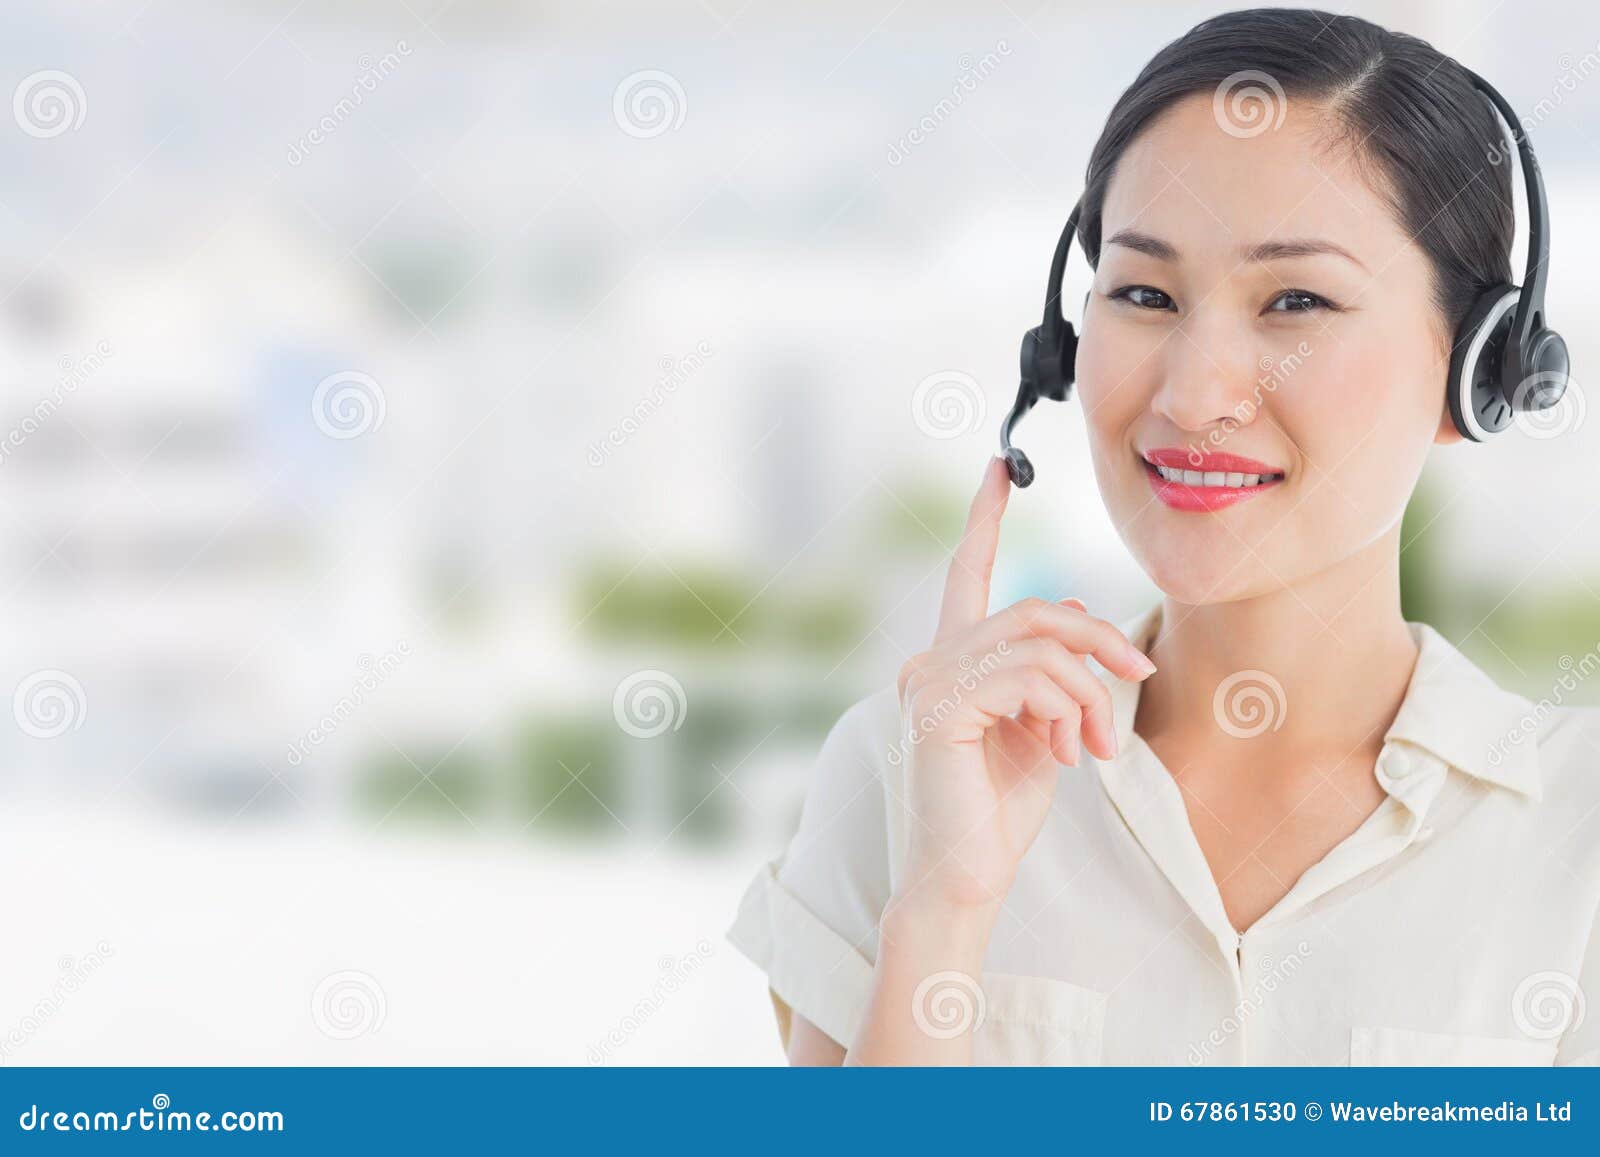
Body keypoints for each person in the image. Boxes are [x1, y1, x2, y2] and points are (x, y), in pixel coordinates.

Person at [724, 7, 1600, 1065]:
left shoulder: (1576, 837)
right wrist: (945, 909)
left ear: (1480, 370)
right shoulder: (904, 770)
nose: (1192, 394)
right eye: (1143, 292)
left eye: (1295, 300)